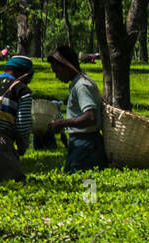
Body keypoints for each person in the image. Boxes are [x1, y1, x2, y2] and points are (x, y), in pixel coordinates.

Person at [46, 44, 107, 172]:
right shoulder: (79, 83)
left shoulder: (81, 86)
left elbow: (91, 117)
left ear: (66, 66)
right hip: (80, 142)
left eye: (56, 71)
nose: (56, 76)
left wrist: (63, 123)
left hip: (86, 145)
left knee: (85, 184)